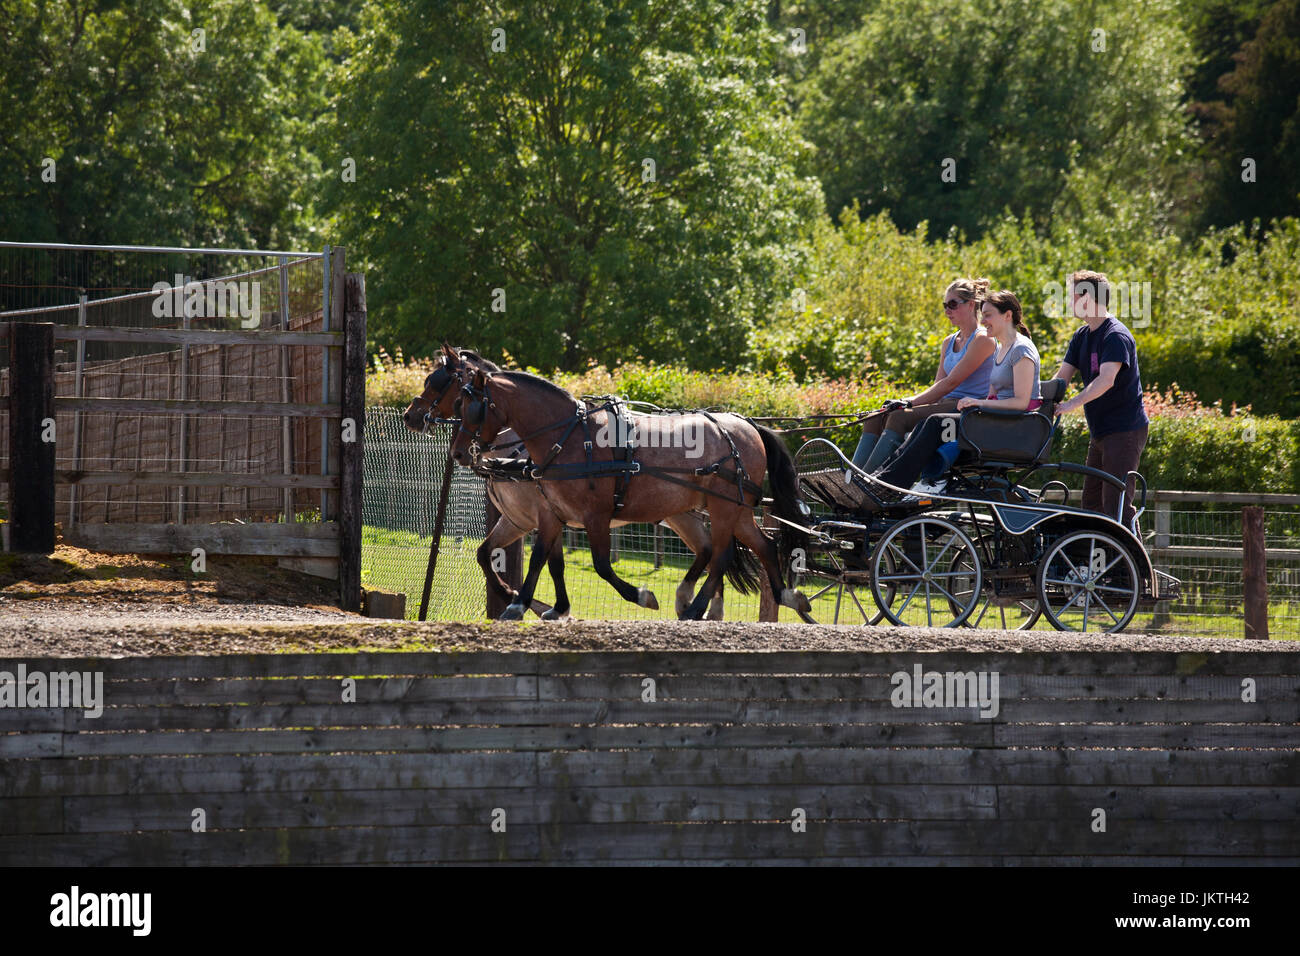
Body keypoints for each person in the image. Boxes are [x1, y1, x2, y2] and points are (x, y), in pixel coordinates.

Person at [870, 290, 1041, 495]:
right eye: (982, 314)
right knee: (929, 423)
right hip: (994, 422)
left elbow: (1021, 403)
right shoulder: (1003, 349)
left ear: (1007, 316)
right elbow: (994, 395)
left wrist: (979, 404)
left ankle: (887, 485)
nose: (983, 320)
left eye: (988, 315)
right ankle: (881, 479)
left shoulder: (1021, 350)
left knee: (936, 423)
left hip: (1010, 428)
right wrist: (980, 405)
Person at [851, 277, 996, 469]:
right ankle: (854, 478)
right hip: (946, 404)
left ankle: (871, 481)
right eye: (945, 305)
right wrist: (902, 402)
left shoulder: (983, 340)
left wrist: (908, 403)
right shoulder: (949, 341)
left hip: (967, 410)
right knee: (878, 416)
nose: (947, 311)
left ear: (971, 305)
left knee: (898, 418)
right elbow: (938, 385)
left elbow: (950, 384)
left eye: (952, 304)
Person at [1052, 270, 1148, 528]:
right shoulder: (1081, 336)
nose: (1069, 301)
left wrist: (1070, 405)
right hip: (1101, 432)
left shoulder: (1115, 335)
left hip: (1124, 431)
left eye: (1072, 295)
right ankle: (1102, 565)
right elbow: (1060, 380)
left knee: (1116, 508)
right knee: (1091, 505)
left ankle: (1135, 568)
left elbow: (1106, 380)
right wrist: (1029, 397)